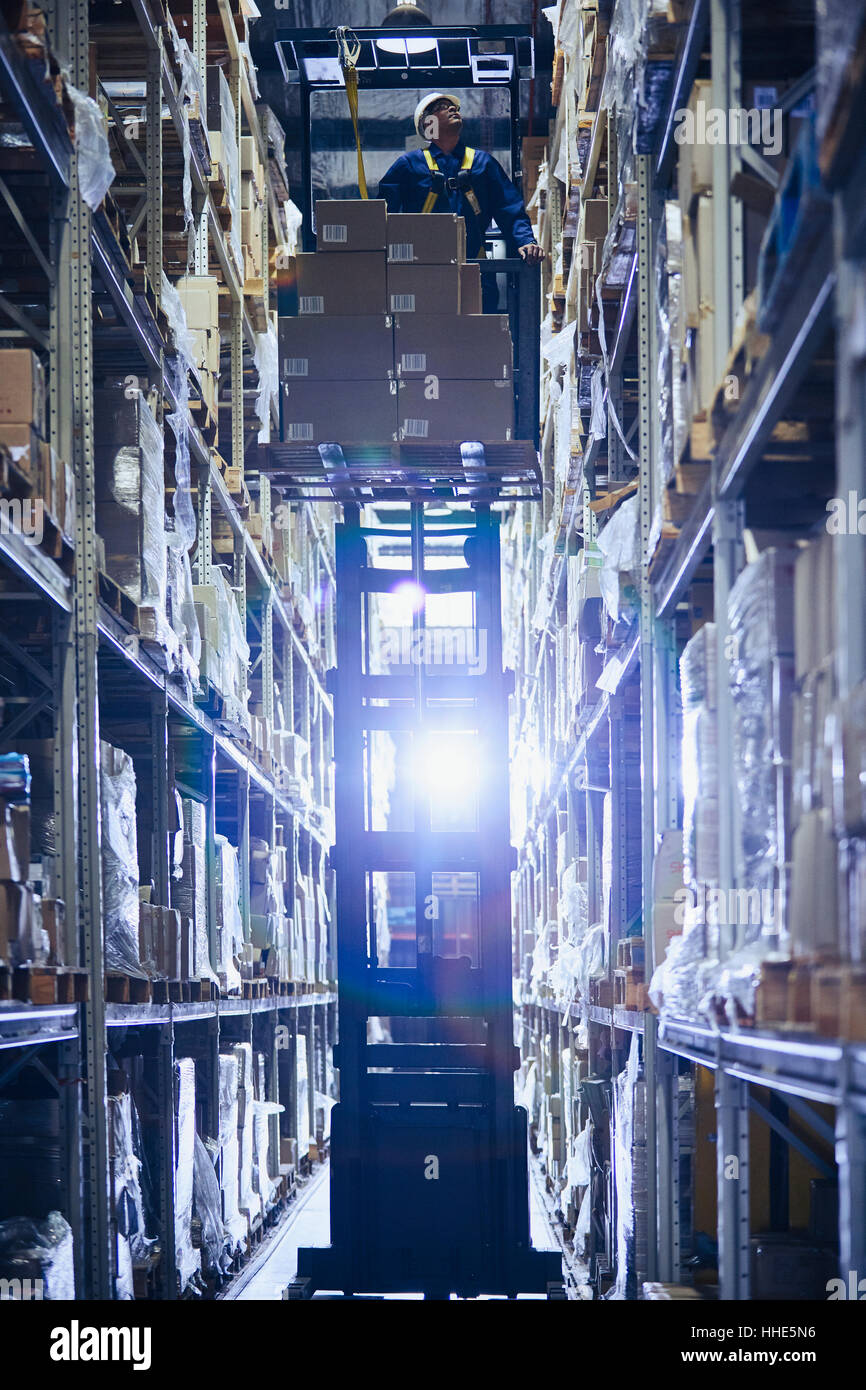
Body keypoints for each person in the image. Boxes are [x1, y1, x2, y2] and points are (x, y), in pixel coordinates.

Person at [378, 92, 544, 311]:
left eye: (454, 106)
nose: (453, 109)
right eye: (442, 107)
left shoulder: (482, 163)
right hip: (422, 270)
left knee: (478, 335)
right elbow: (383, 215)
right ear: (428, 124)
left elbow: (509, 208)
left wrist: (526, 241)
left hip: (476, 267)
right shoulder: (408, 165)